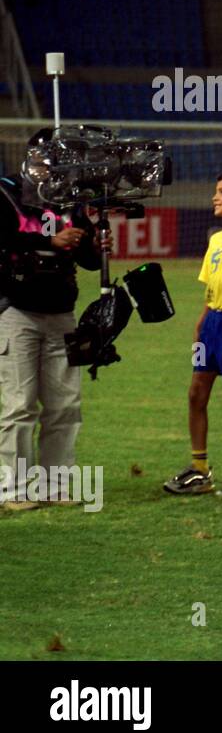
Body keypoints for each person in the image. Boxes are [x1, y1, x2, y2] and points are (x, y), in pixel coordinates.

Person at [0, 140, 110, 508]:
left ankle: (55, 484)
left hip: (62, 311)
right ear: (32, 161)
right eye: (49, 164)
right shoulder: (6, 193)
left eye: (60, 166)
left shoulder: (71, 203)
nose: (53, 172)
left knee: (65, 404)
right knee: (19, 405)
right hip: (17, 310)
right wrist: (49, 238)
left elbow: (90, 262)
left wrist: (94, 243)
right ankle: (12, 489)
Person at [163, 170, 222, 496]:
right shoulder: (216, 239)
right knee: (196, 392)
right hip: (211, 325)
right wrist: (201, 321)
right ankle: (199, 468)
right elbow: (212, 286)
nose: (215, 197)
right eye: (216, 191)